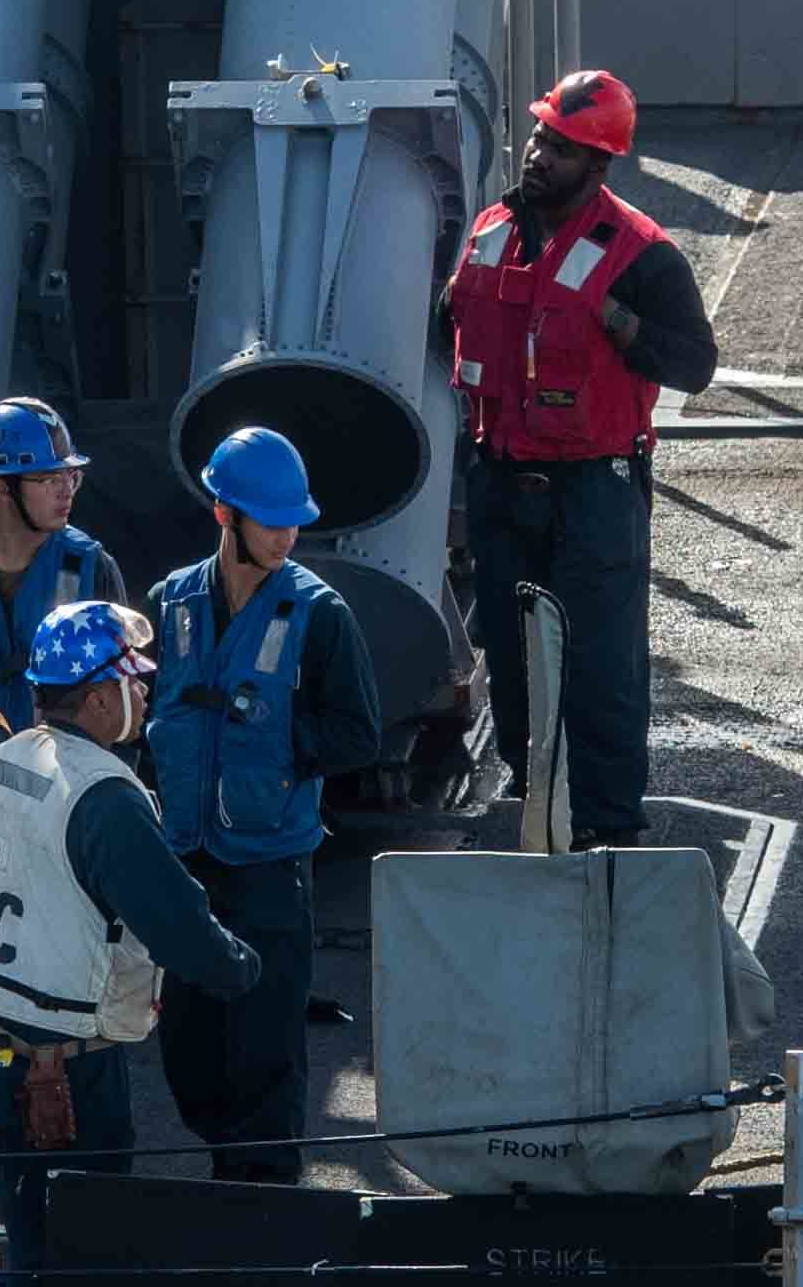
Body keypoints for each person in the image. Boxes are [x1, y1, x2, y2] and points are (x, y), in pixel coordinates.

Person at [0, 598, 263, 1287]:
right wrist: (246, 969)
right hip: (58, 1072)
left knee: (25, 1241)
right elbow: (179, 926)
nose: (143, 695)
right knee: (74, 1263)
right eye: (135, 683)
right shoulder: (103, 796)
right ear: (98, 696)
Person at [446, 66, 719, 854]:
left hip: (593, 488)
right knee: (508, 646)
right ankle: (534, 796)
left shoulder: (640, 255)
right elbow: (449, 326)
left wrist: (626, 329)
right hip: (500, 478)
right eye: (538, 138)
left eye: (561, 149)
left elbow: (694, 364)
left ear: (598, 166)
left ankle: (607, 819)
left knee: (600, 663)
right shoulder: (491, 230)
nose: (538, 156)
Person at [145, 424, 380, 1184]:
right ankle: (224, 1161)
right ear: (225, 516)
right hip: (184, 861)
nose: (284, 536)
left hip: (269, 867)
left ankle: (264, 1197)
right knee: (187, 1044)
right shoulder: (169, 601)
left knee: (265, 1049)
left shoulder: (319, 615)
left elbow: (357, 733)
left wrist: (278, 751)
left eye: (291, 522)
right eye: (269, 521)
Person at [0, 400, 125, 701]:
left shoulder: (93, 568)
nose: (66, 490)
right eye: (48, 479)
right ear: (0, 486)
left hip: (51, 747)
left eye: (71, 476)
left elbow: (118, 691)